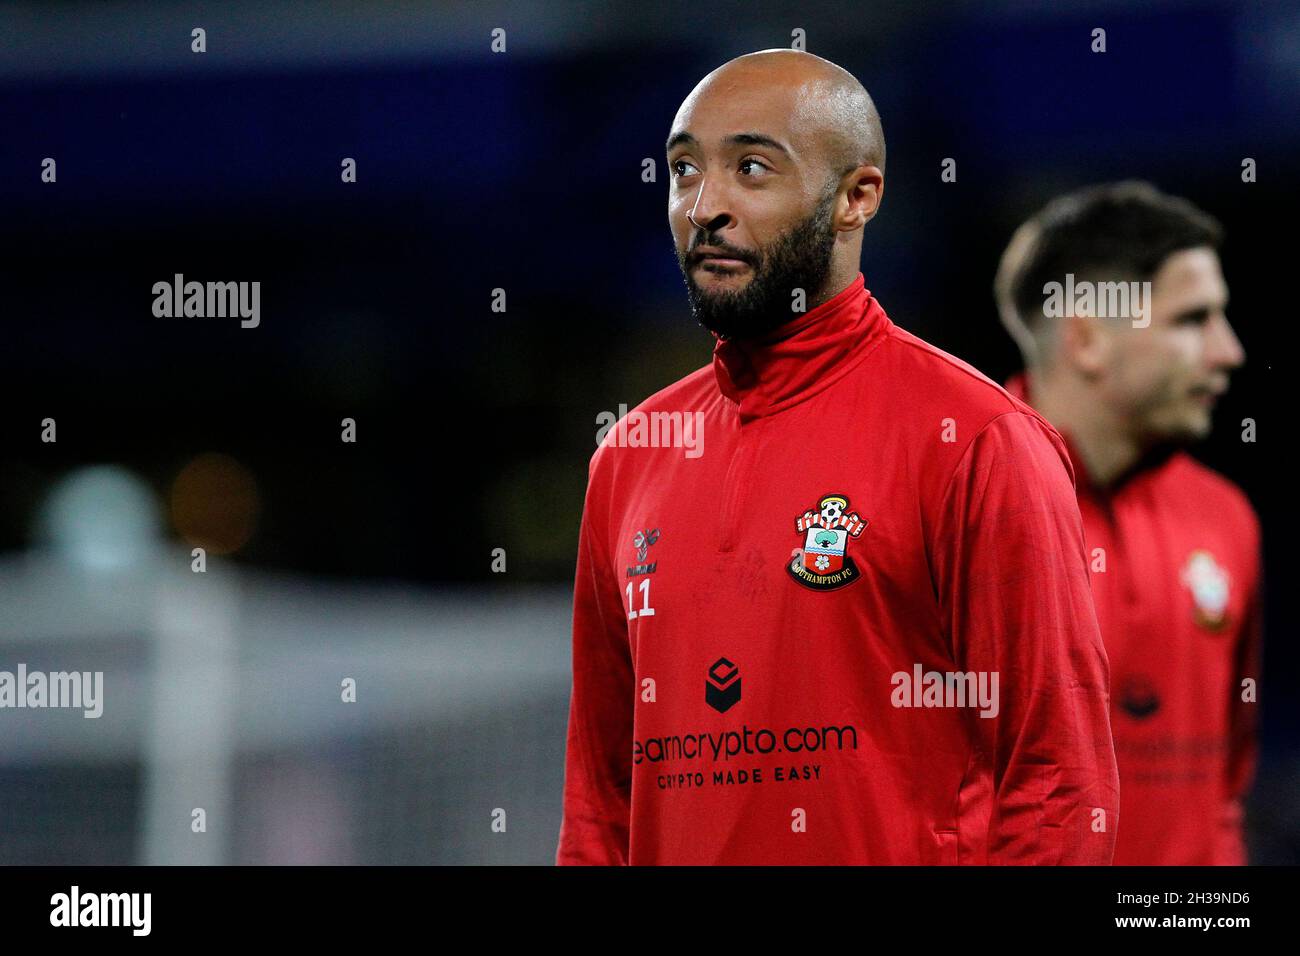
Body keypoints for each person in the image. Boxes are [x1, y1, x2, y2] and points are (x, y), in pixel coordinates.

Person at [556, 49, 1118, 865]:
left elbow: (1059, 785)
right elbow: (599, 802)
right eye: (683, 171)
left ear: (857, 197)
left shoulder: (976, 440)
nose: (703, 206)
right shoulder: (630, 456)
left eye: (751, 168)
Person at [994, 181, 1262, 865]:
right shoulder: (953, 510)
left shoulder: (1224, 517)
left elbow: (1225, 785)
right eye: (1193, 320)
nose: (1228, 351)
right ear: (1086, 338)